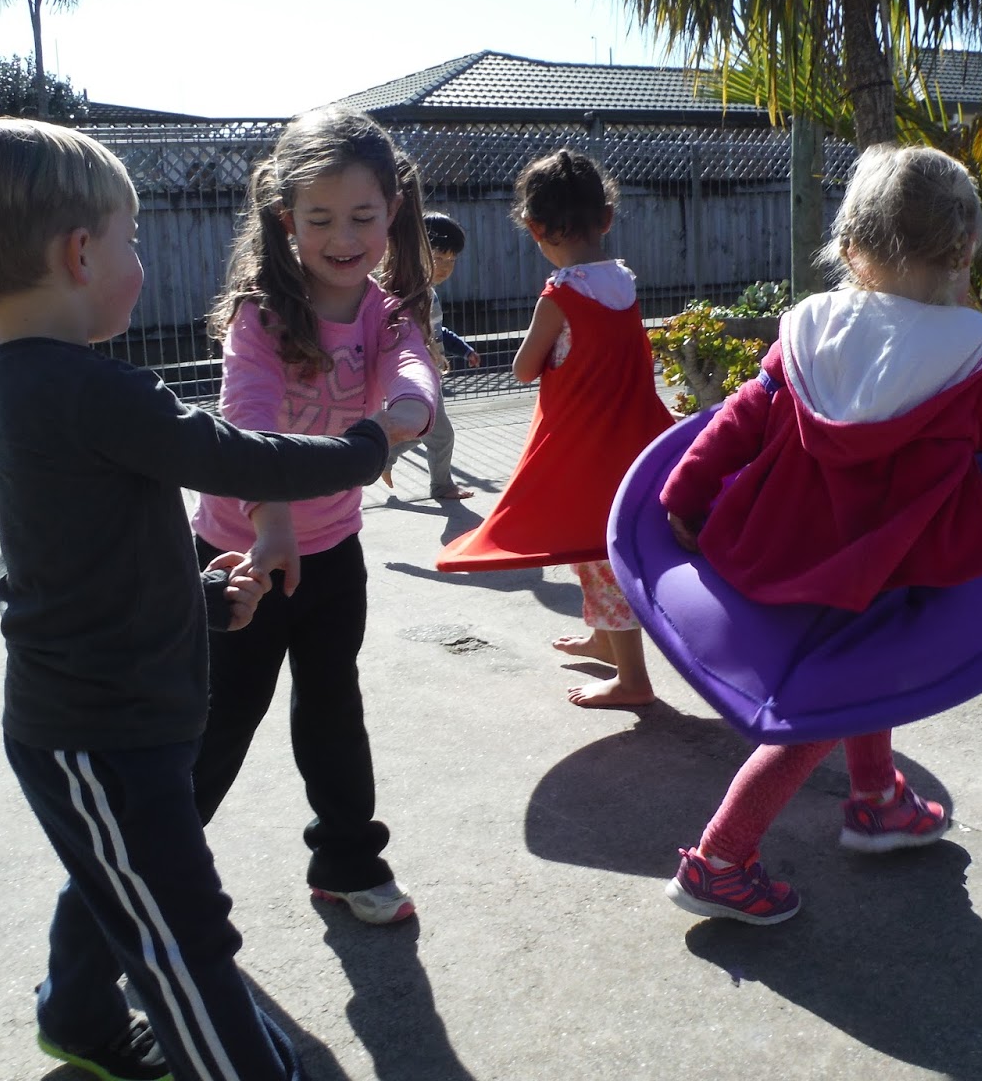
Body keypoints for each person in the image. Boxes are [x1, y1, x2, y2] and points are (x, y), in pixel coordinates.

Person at [0, 117, 414, 1080]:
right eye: (132, 237)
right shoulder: (92, 391)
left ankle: (78, 1021)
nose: (139, 257)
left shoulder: (26, 386)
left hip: (105, 715)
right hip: (106, 731)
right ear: (79, 253)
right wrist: (366, 447)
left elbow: (74, 568)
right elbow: (232, 454)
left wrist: (193, 593)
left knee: (124, 889)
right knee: (185, 944)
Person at [658, 143, 982, 925]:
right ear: (965, 247)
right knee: (822, 708)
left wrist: (684, 496)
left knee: (866, 676)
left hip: (782, 546)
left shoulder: (808, 329)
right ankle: (720, 860)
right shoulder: (978, 355)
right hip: (885, 565)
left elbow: (735, 421)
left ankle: (877, 799)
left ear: (848, 247)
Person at [191, 106, 439, 926]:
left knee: (333, 705)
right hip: (240, 556)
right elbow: (247, 423)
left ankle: (347, 860)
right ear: (284, 216)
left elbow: (413, 374)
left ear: (391, 212)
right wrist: (272, 522)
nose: (343, 235)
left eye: (363, 216)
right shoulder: (258, 317)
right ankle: (155, 874)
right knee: (217, 721)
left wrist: (404, 415)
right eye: (320, 217)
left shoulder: (389, 312)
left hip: (333, 554)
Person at [436, 149, 673, 708]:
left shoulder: (560, 295)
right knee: (589, 546)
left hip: (582, 447)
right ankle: (602, 639)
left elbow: (524, 367)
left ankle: (633, 680)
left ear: (535, 228)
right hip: (628, 441)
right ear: (607, 218)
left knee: (595, 552)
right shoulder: (625, 284)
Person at [381, 210, 479, 500]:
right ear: (417, 250)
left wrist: (463, 349)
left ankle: (384, 457)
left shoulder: (428, 293)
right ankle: (441, 485)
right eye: (439, 258)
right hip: (417, 376)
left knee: (425, 428)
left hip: (429, 374)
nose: (446, 267)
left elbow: (438, 332)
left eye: (452, 260)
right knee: (441, 434)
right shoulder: (409, 294)